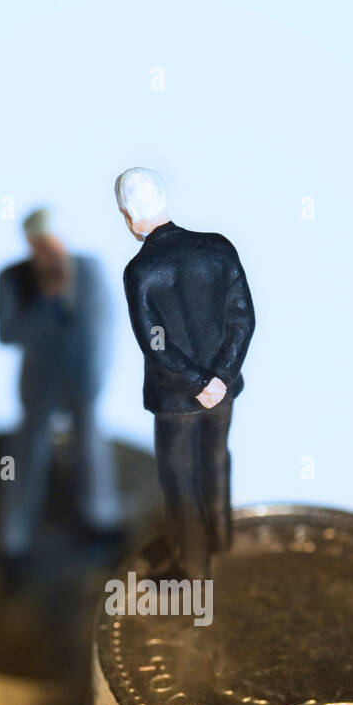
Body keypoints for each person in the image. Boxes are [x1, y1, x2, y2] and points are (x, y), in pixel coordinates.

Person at [115, 168, 255, 580]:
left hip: (175, 400)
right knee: (216, 459)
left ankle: (194, 573)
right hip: (223, 392)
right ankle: (222, 539)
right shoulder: (218, 249)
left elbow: (155, 344)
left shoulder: (141, 271)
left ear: (128, 214)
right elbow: (242, 320)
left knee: (179, 481)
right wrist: (220, 379)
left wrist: (196, 384)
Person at [0, 208, 120, 557]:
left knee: (91, 449)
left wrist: (96, 376)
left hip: (82, 379)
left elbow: (102, 327)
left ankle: (101, 520)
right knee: (27, 453)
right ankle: (14, 538)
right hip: (39, 382)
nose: (47, 252)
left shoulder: (89, 270)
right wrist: (45, 300)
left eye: (53, 243)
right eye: (39, 245)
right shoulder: (11, 278)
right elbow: (7, 333)